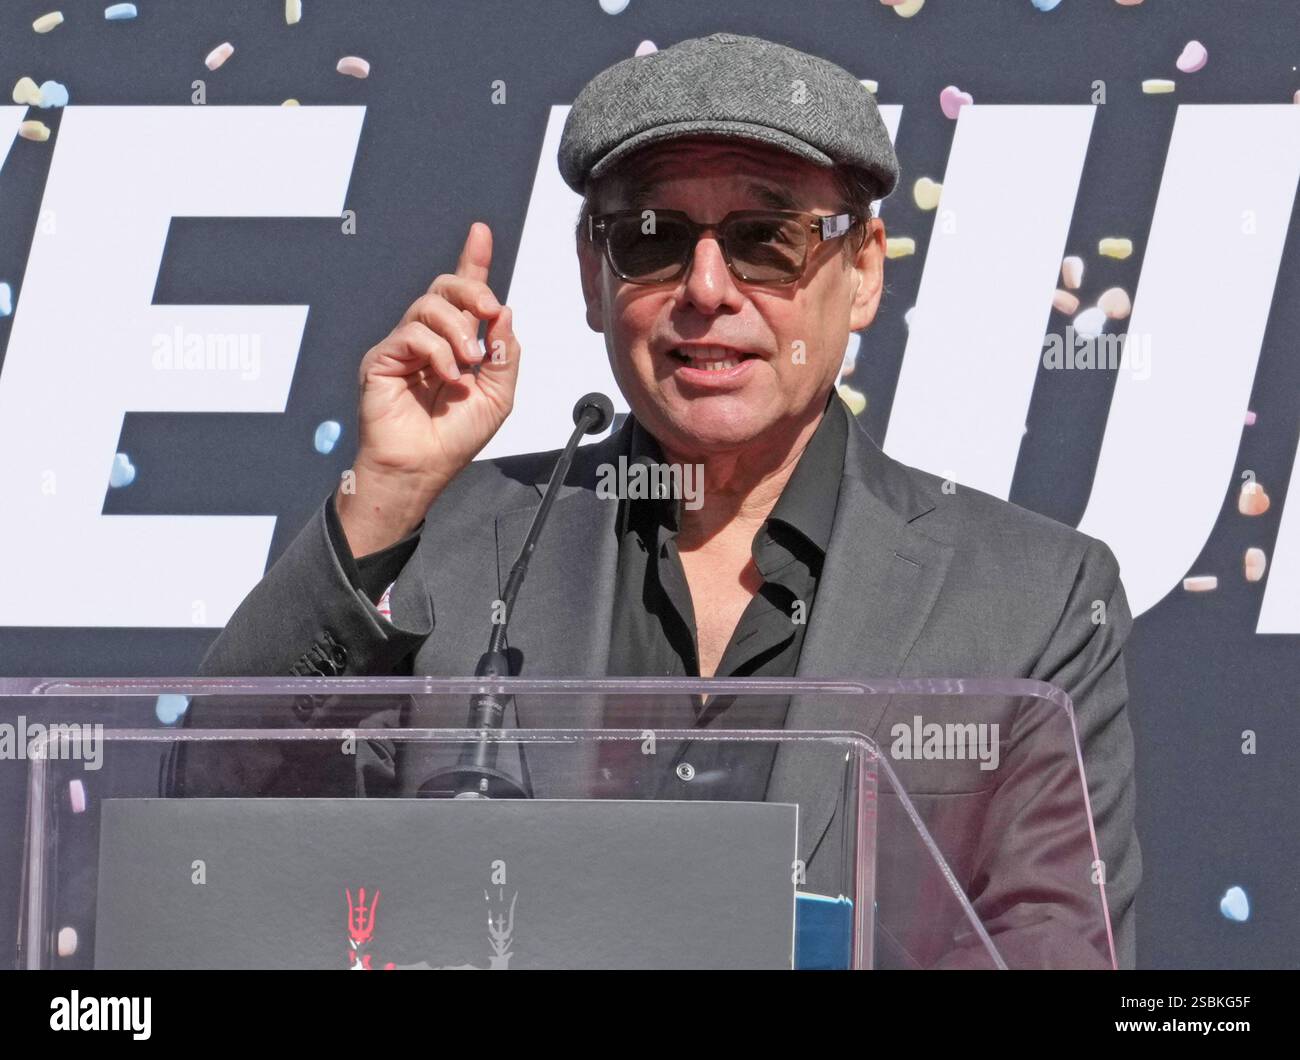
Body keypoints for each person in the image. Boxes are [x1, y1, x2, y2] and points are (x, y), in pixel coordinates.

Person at [169, 33, 1140, 969]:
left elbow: (1052, 949)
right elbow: (209, 834)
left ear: (864, 272)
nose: (706, 289)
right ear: (594, 277)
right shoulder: (452, 541)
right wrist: (383, 501)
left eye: (766, 239)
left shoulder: (1033, 598)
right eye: (652, 238)